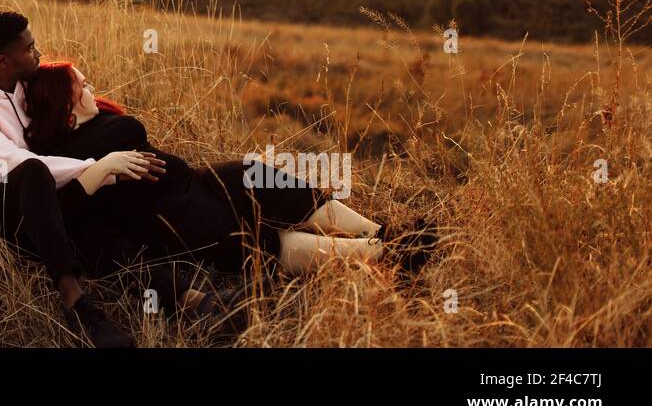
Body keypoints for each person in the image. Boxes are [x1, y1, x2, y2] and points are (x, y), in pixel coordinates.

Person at [22, 61, 440, 287]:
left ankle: (382, 233)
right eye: (83, 85)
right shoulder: (73, 153)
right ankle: (387, 257)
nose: (92, 86)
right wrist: (104, 160)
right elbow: (128, 136)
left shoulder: (87, 136)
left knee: (263, 178)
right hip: (174, 216)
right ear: (66, 107)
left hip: (194, 186)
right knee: (261, 241)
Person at [0, 10, 162, 348]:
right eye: (29, 48)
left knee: (89, 214)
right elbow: (16, 163)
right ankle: (77, 303)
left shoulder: (16, 85)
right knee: (36, 173)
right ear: (3, 60)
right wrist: (96, 168)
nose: (39, 52)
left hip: (37, 199)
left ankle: (183, 293)